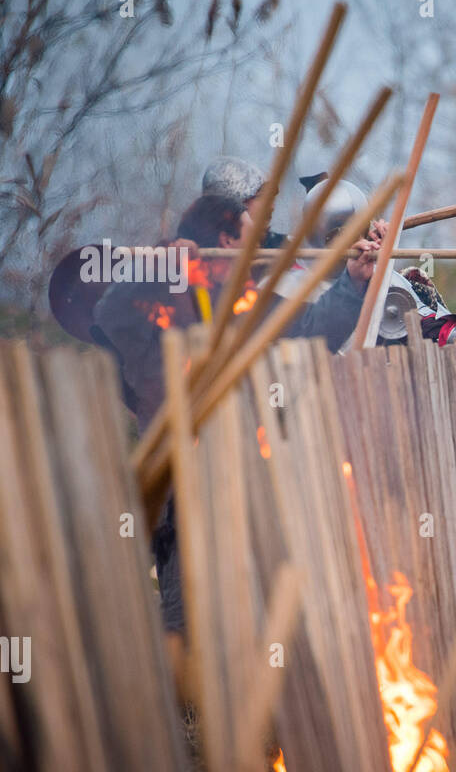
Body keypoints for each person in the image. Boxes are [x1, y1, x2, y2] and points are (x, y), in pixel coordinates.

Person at [92, 193, 384, 659]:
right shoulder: (163, 295)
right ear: (226, 240)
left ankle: (245, 715)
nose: (260, 245)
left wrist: (353, 280)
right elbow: (107, 316)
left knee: (250, 611)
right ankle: (185, 720)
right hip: (180, 482)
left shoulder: (244, 304)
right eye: (250, 237)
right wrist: (154, 269)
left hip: (241, 477)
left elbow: (310, 327)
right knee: (185, 622)